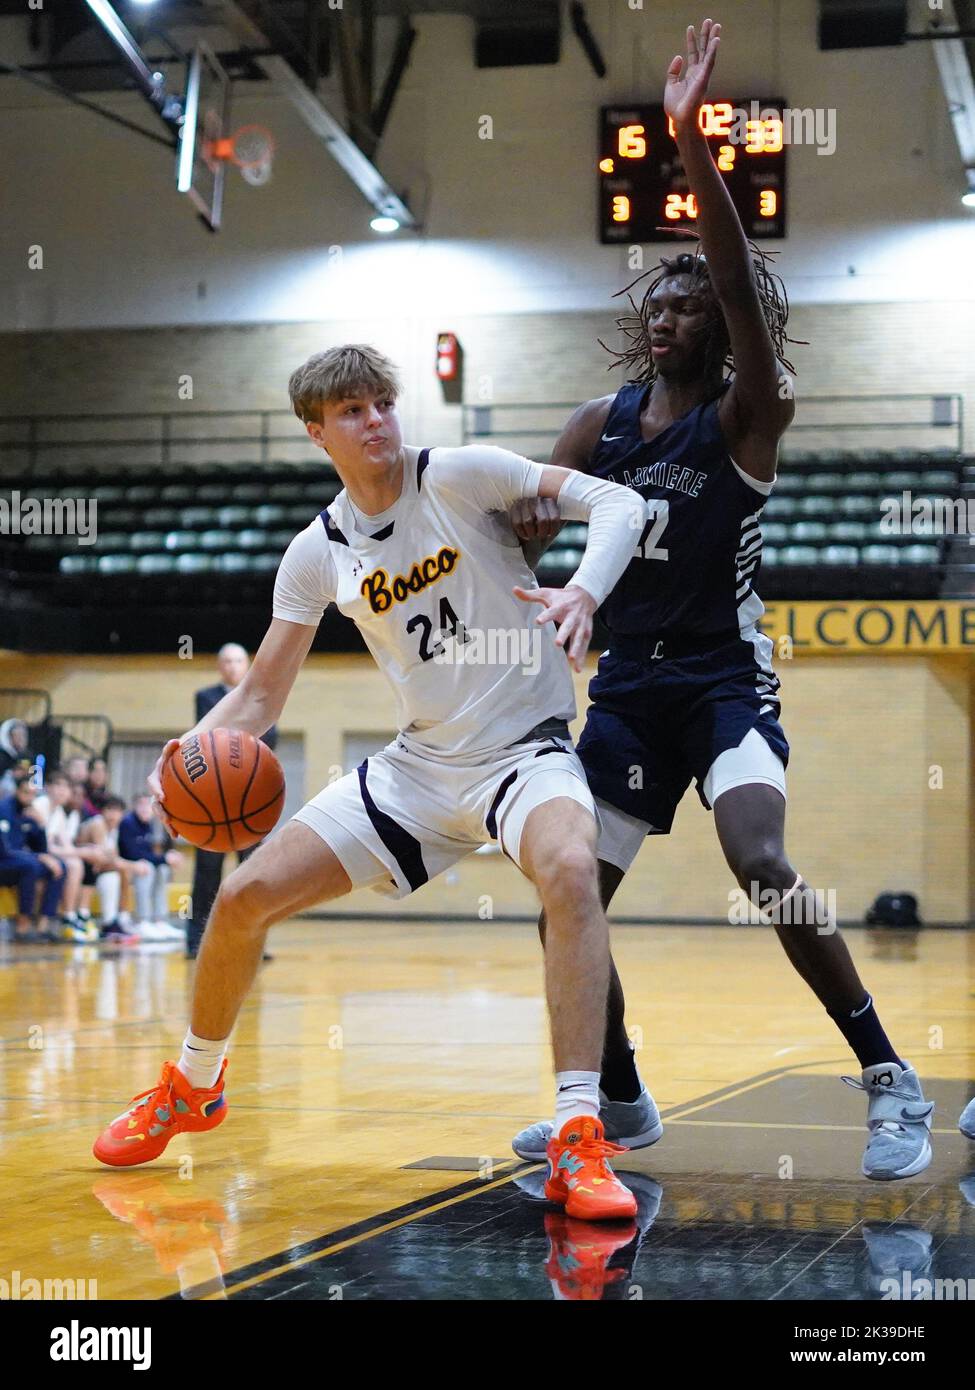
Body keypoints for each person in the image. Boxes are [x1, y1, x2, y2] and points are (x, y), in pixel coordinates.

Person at [508, 19, 934, 1182]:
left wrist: (693, 142)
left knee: (762, 861)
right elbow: (519, 518)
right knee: (567, 894)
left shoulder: (750, 417)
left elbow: (738, 276)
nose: (671, 310)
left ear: (725, 329)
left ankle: (889, 1079)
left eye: (690, 303)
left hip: (725, 679)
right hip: (630, 687)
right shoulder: (598, 427)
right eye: (660, 299)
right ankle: (618, 1098)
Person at [92, 342, 645, 1222]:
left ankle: (578, 1134)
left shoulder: (462, 475)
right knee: (241, 897)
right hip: (416, 768)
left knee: (572, 872)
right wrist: (183, 756)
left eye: (382, 401)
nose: (375, 419)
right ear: (318, 432)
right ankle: (193, 1086)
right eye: (351, 411)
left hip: (523, 753)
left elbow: (614, 499)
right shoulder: (317, 550)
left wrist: (581, 589)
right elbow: (263, 694)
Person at [187, 645, 278, 960]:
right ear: (218, 665)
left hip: (250, 800)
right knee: (207, 872)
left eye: (238, 661)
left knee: (253, 875)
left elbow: (269, 740)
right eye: (225, 661)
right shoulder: (205, 697)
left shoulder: (263, 695)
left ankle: (253, 944)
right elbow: (208, 740)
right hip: (213, 798)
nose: (232, 666)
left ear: (247, 664)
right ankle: (196, 942)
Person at [0, 769, 65, 942]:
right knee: (32, 866)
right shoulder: (4, 809)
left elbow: (41, 848)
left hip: (20, 862)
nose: (30, 797)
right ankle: (22, 926)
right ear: (16, 791)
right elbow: (5, 850)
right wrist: (39, 857)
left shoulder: (31, 812)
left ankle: (43, 926)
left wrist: (42, 824)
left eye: (33, 794)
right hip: (4, 863)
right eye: (26, 793)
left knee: (58, 866)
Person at [117, 794, 185, 942]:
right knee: (146, 868)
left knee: (162, 869)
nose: (145, 809)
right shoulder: (128, 823)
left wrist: (166, 858)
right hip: (124, 867)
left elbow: (147, 853)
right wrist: (165, 858)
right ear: (134, 807)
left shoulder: (148, 824)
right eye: (141, 805)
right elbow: (133, 854)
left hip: (138, 864)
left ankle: (160, 921)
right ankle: (143, 921)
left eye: (148, 805)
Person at [78, 795, 140, 943]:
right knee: (117, 872)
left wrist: (128, 865)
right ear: (102, 812)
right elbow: (106, 858)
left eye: (117, 811)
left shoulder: (115, 829)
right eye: (109, 810)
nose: (113, 814)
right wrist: (134, 865)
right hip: (83, 872)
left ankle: (118, 919)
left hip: (96, 871)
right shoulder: (97, 824)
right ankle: (107, 921)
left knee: (120, 872)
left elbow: (112, 859)